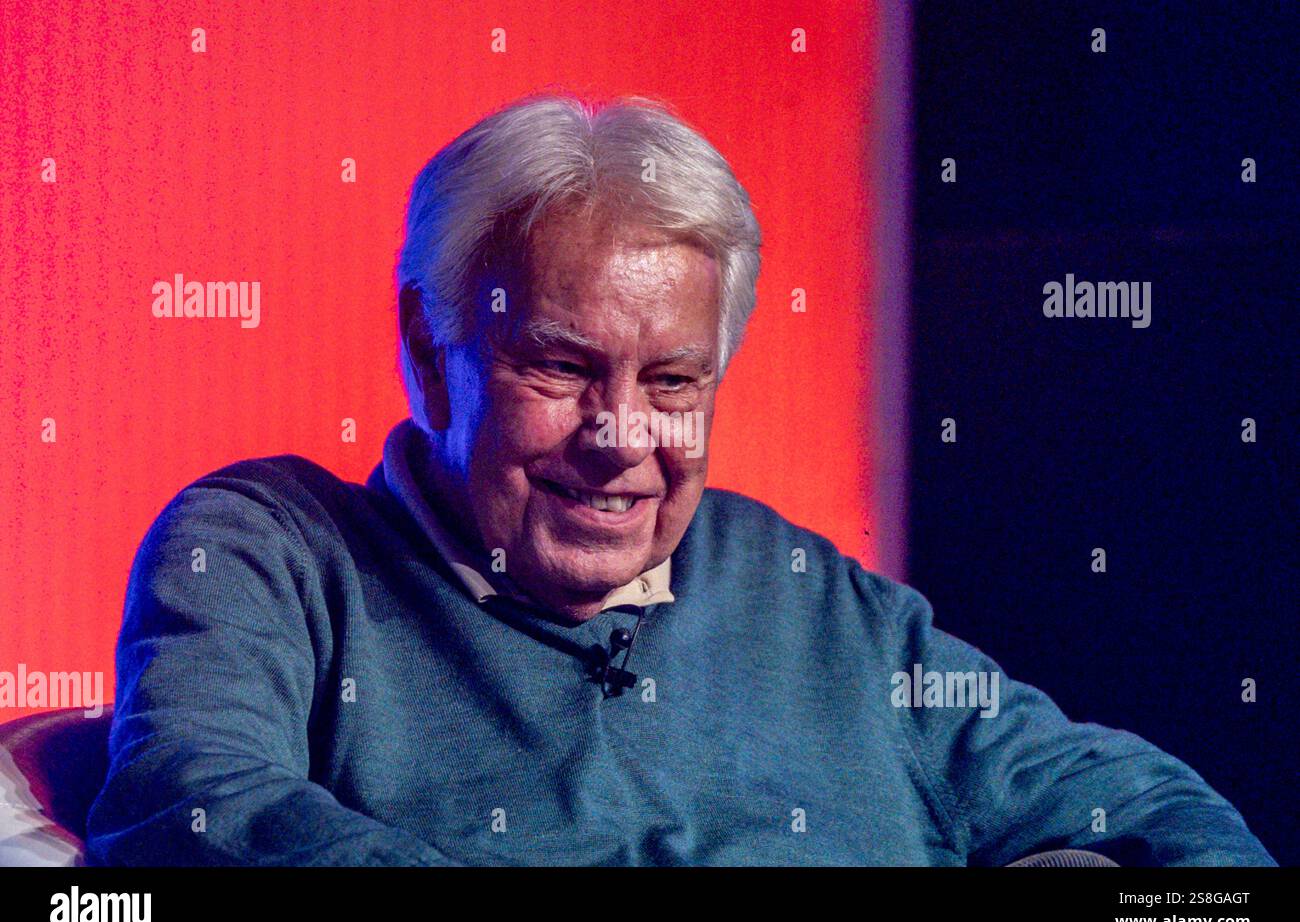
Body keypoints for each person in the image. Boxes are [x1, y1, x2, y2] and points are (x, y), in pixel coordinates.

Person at [86, 94, 1275, 866]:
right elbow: (192, 808)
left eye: (671, 382)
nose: (620, 436)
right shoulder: (270, 548)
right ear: (425, 344)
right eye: (558, 366)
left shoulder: (808, 594)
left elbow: (1156, 812)